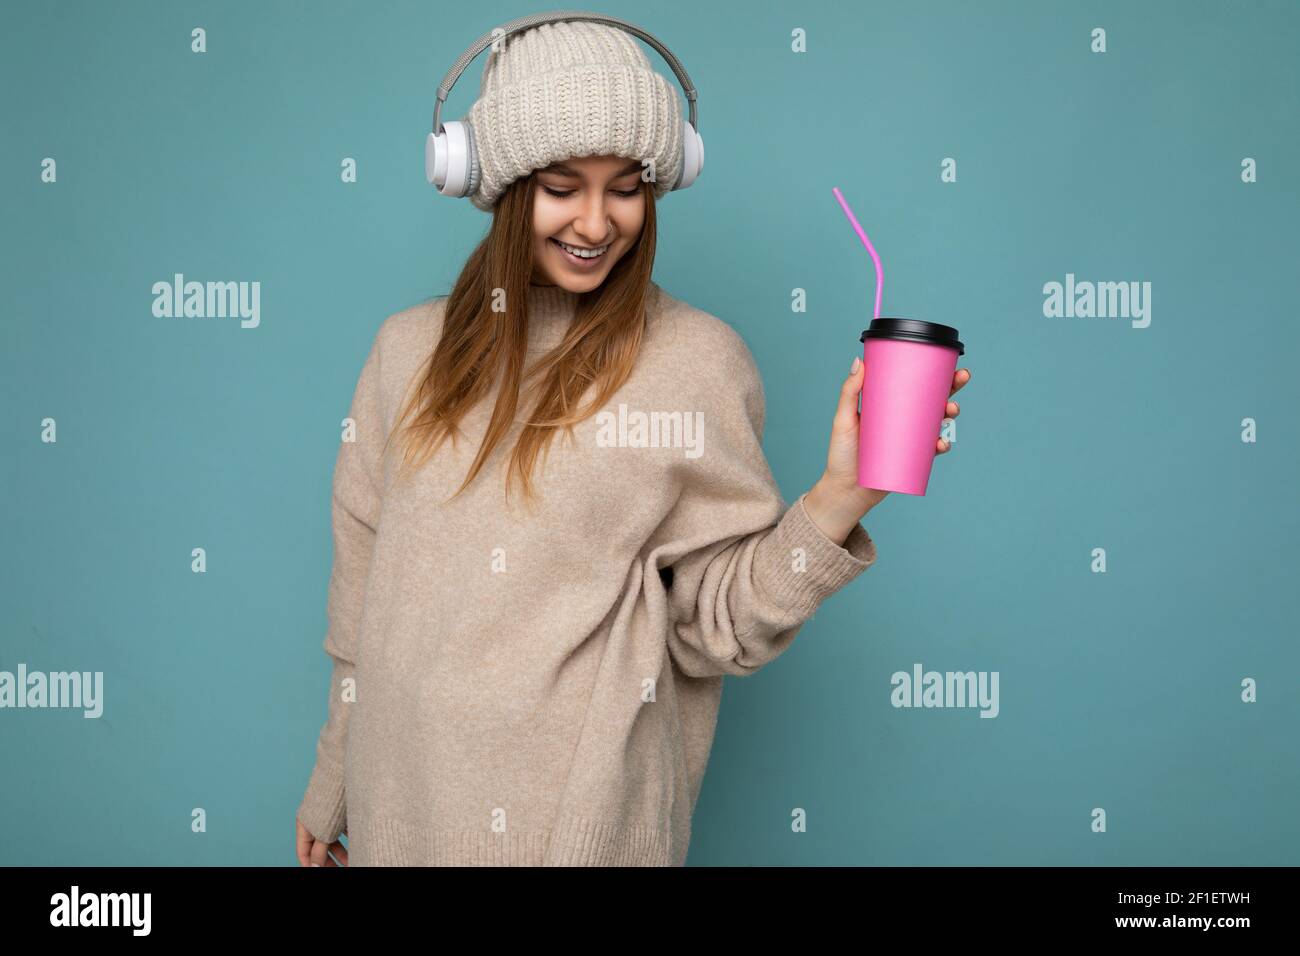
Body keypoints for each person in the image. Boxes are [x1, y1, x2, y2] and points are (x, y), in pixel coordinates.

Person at [294, 19, 970, 867]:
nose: (595, 220)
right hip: (401, 814)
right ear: (499, 183)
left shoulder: (696, 362)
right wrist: (332, 781)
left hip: (581, 835)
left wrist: (843, 496)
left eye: (625, 187)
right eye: (562, 185)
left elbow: (716, 627)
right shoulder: (405, 352)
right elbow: (360, 596)